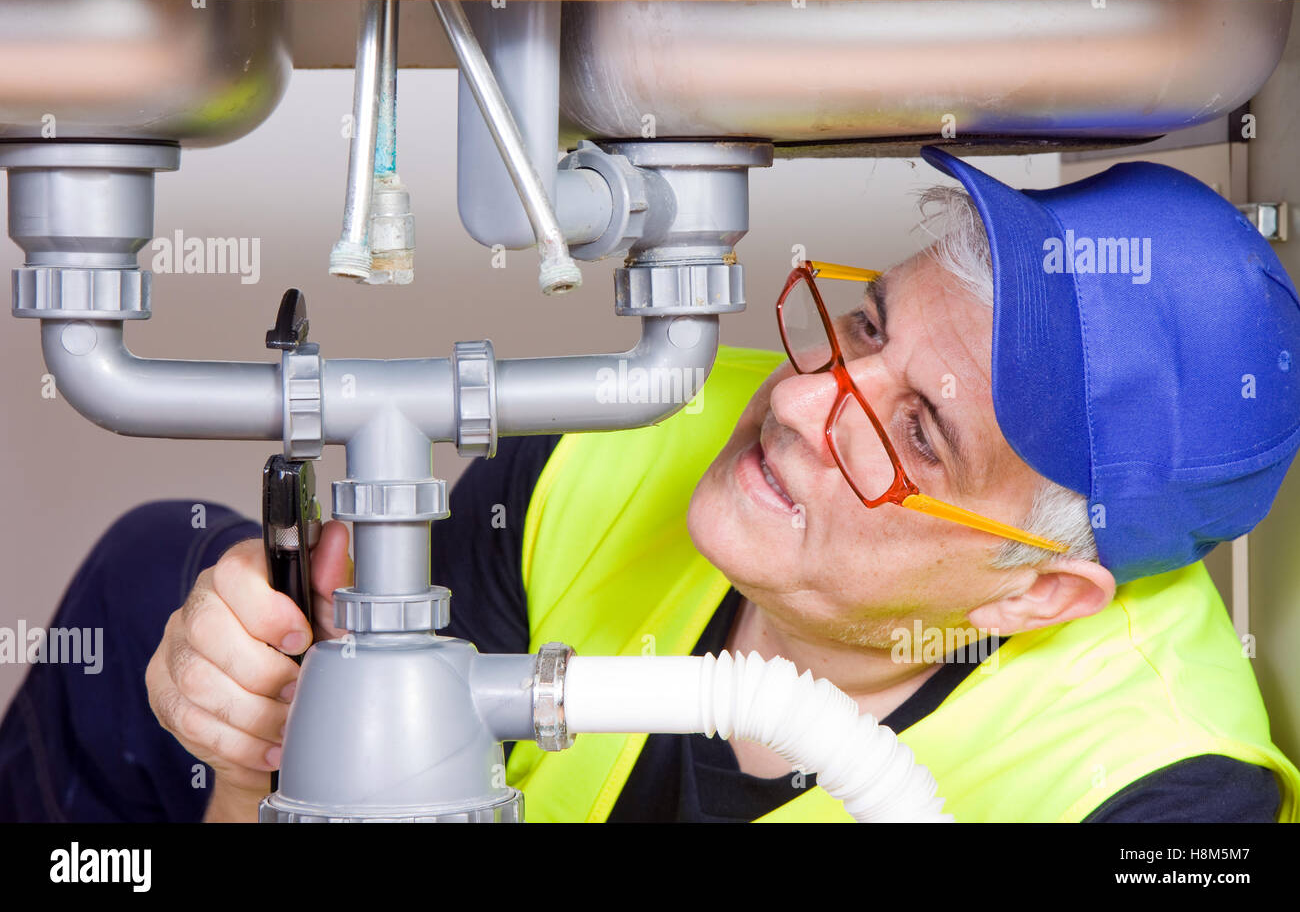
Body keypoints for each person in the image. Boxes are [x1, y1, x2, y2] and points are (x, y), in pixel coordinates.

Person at [3, 146, 1298, 822]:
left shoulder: (1158, 795)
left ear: (1041, 594)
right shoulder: (606, 445)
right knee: (150, 578)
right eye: (860, 327)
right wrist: (253, 727)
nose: (791, 403)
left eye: (911, 434)